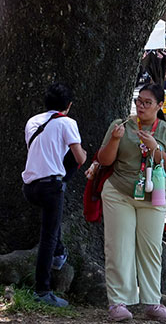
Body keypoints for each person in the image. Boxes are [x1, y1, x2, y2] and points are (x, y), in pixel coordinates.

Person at [96, 83, 166, 322]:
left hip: (153, 195)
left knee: (151, 249)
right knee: (118, 247)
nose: (141, 106)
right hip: (119, 192)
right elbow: (104, 160)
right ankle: (118, 303)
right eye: (138, 101)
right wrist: (114, 140)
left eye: (147, 102)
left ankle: (152, 302)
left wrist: (155, 148)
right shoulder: (120, 125)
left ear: (159, 106)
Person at [21, 82, 87, 308]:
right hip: (51, 187)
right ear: (68, 105)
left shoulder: (33, 121)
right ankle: (42, 290)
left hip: (29, 186)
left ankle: (59, 253)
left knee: (52, 227)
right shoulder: (67, 122)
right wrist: (84, 154)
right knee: (47, 238)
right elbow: (80, 159)